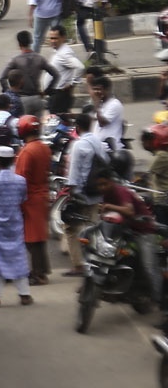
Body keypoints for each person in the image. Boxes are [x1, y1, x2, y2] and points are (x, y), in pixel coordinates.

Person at [94, 167, 160, 311]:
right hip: (126, 230)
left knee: (149, 266)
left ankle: (159, 302)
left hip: (143, 230)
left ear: (111, 182)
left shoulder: (120, 191)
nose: (102, 187)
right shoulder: (106, 194)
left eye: (104, 184)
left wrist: (109, 206)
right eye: (99, 185)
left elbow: (129, 211)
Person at [0, 146, 33, 307]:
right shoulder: (21, 181)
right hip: (15, 223)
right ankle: (24, 295)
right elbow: (23, 199)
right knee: (18, 257)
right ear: (13, 160)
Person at [64, 112, 108, 276]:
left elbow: (74, 172)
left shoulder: (79, 145)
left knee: (71, 229)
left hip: (81, 193)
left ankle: (78, 265)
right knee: (93, 227)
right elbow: (106, 163)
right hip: (96, 192)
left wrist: (71, 192)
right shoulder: (98, 142)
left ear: (77, 127)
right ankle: (95, 262)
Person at [15, 115, 52, 286]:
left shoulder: (27, 152)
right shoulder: (44, 148)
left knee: (32, 239)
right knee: (39, 237)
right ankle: (42, 270)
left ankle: (38, 274)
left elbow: (21, 180)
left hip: (30, 199)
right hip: (42, 195)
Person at [0, 30, 58, 117]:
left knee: (23, 124)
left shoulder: (16, 60)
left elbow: (2, 78)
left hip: (22, 99)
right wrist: (47, 91)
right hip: (37, 98)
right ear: (31, 42)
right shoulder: (39, 58)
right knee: (37, 124)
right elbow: (56, 75)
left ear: (19, 44)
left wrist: (9, 93)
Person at [47, 25, 83, 116]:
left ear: (63, 38)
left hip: (60, 96)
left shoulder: (64, 53)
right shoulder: (59, 51)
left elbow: (80, 67)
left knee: (57, 121)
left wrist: (72, 83)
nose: (53, 41)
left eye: (55, 38)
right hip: (55, 94)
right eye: (51, 38)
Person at [89, 75, 124, 150]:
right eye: (94, 89)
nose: (96, 92)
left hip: (108, 147)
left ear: (107, 89)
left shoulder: (114, 104)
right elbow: (92, 118)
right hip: (97, 144)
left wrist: (97, 104)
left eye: (99, 89)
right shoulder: (102, 103)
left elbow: (102, 123)